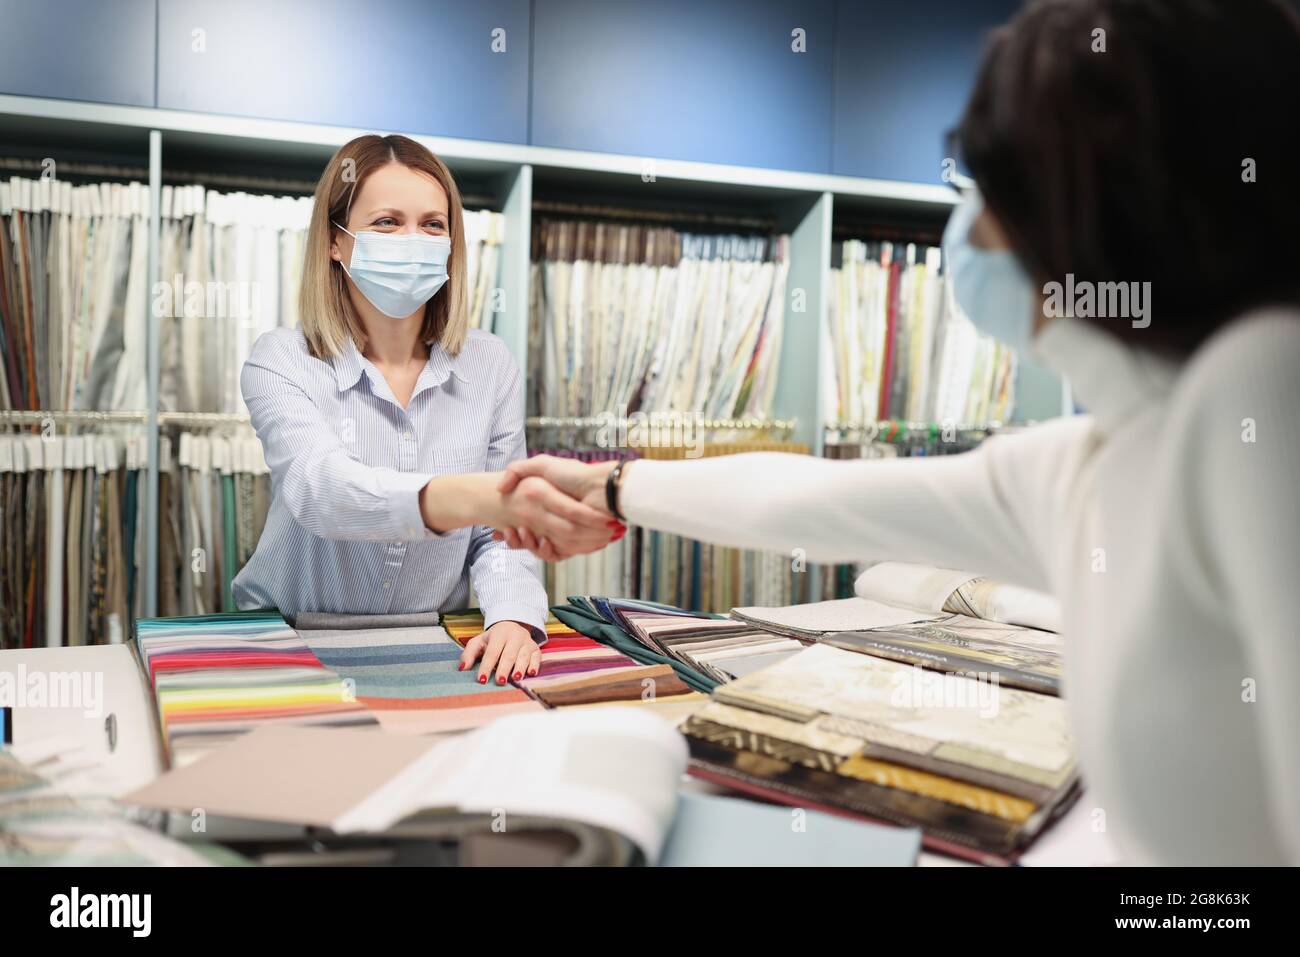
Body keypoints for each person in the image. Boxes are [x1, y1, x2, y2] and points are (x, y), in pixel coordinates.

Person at [496, 0, 1300, 865]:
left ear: (1086, 189)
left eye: (981, 182)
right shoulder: (1095, 457)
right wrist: (615, 485)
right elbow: (817, 500)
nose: (964, 222)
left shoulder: (1258, 384)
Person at [233, 134, 622, 684]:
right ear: (334, 242)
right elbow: (321, 492)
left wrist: (512, 614)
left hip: (437, 637)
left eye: (433, 225)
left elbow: (495, 536)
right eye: (387, 223)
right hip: (290, 635)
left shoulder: (490, 364)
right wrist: (492, 498)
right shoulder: (283, 359)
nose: (413, 240)